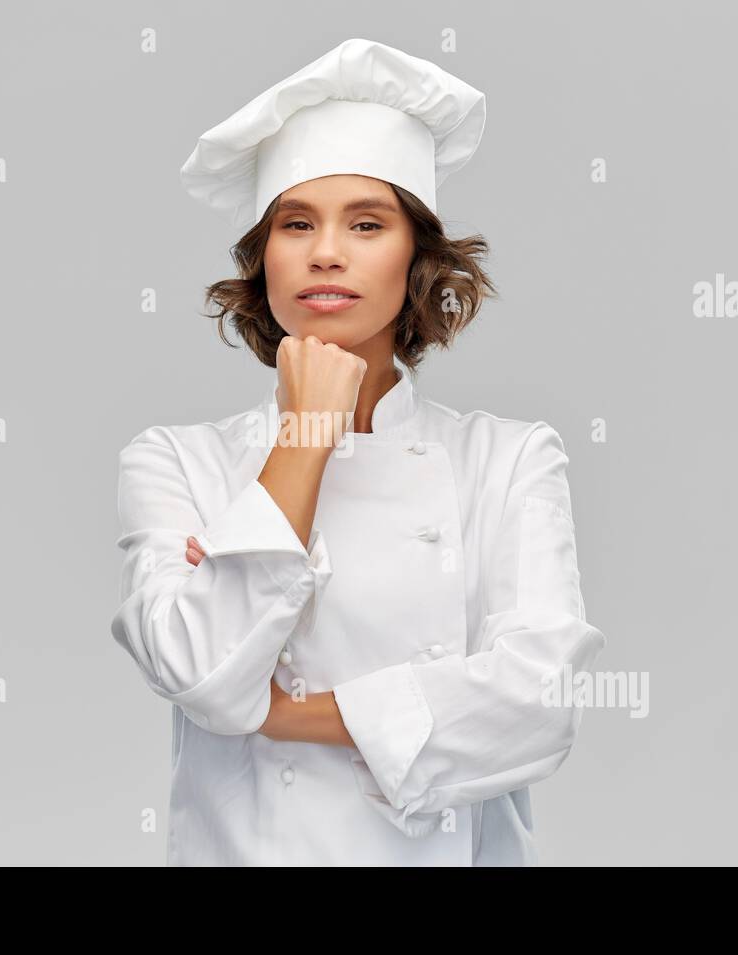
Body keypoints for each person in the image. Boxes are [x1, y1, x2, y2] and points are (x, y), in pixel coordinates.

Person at [110, 37, 607, 865]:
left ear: (417, 256)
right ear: (262, 258)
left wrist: (282, 713)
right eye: (295, 224)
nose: (326, 252)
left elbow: (540, 701)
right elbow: (199, 671)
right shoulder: (175, 461)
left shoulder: (508, 459)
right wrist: (303, 437)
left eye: (367, 224)